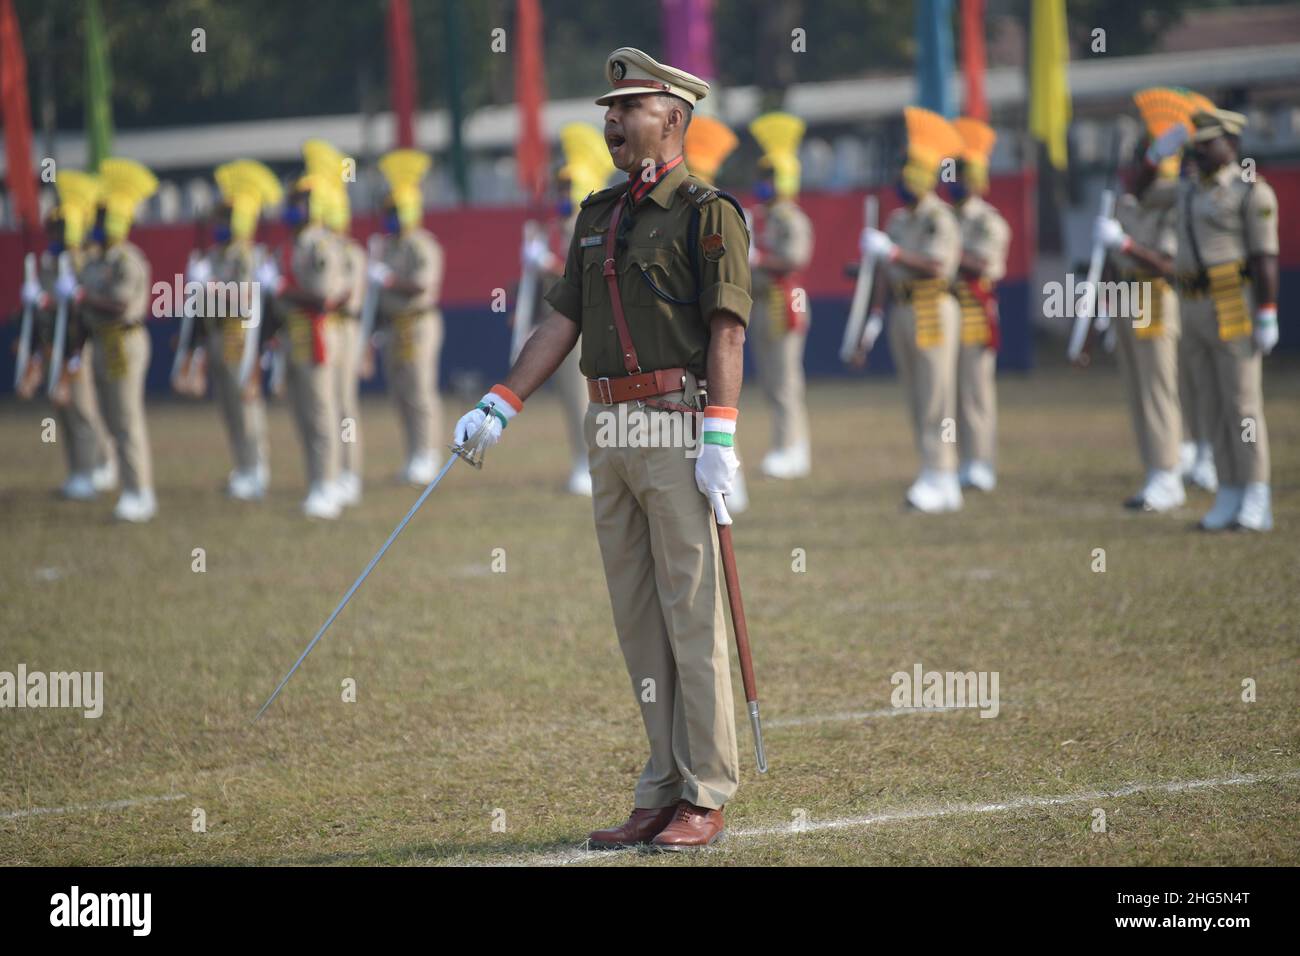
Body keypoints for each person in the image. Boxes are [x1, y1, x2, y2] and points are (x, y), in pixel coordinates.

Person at [452, 48, 751, 848]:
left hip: (674, 421)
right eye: (608, 110)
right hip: (608, 427)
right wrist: (500, 401)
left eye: (629, 108)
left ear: (675, 118)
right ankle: (659, 783)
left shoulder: (706, 211)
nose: (612, 121)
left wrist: (720, 433)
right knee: (636, 618)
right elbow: (562, 319)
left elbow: (727, 327)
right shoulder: (599, 214)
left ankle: (706, 790)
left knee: (692, 613)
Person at [1137, 102, 1279, 531]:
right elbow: (1140, 193)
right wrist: (1154, 154)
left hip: (1233, 302)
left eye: (1207, 143)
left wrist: (1268, 312)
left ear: (1231, 145)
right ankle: (1229, 490)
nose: (1198, 152)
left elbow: (1264, 257)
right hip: (1192, 303)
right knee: (1210, 403)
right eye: (1194, 144)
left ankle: (1257, 492)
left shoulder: (1251, 189)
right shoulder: (1187, 189)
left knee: (1242, 405)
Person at [855, 107, 965, 513]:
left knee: (937, 397)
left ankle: (941, 473)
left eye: (907, 172)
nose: (900, 180)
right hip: (902, 309)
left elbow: (940, 266)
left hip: (932, 308)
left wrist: (894, 251)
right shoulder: (900, 218)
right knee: (917, 397)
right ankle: (935, 473)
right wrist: (874, 319)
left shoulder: (941, 219)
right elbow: (887, 271)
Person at [1093, 91, 1187, 513]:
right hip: (1128, 301)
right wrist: (1107, 310)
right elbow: (1112, 266)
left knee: (1157, 391)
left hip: (1154, 299)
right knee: (1136, 390)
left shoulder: (1170, 202)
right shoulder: (1127, 203)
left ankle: (1169, 473)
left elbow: (1166, 264)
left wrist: (1126, 244)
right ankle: (1155, 470)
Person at [520, 122, 616, 496]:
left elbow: (581, 270)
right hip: (560, 321)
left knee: (585, 395)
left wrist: (546, 262)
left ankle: (591, 462)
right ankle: (582, 459)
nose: (561, 193)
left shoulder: (589, 226)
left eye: (567, 186)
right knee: (569, 395)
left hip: (588, 321)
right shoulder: (553, 227)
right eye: (559, 186)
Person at [61, 158, 158, 522]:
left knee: (127, 418)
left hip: (124, 342)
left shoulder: (127, 261)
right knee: (112, 416)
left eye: (102, 218)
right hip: (101, 343)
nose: (95, 226)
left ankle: (140, 492)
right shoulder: (97, 261)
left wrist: (84, 296)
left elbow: (119, 303)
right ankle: (127, 487)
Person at [258, 147, 349, 519]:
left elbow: (323, 299)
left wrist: (280, 289)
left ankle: (327, 485)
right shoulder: (286, 247)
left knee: (320, 414)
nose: (292, 208)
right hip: (292, 339)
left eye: (300, 201)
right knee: (300, 414)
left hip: (316, 337)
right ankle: (315, 482)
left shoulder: (320, 246)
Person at [18, 171, 116, 500]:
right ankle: (77, 470)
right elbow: (46, 307)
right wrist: (37, 297)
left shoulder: (84, 263)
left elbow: (84, 308)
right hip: (54, 347)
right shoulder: (50, 262)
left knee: (83, 411)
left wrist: (67, 296)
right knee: (64, 409)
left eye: (60, 228)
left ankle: (91, 470)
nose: (54, 234)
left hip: (77, 347)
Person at [206, 159, 281, 500]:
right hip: (220, 333)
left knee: (246, 403)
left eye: (225, 218)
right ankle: (242, 465)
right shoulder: (218, 254)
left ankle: (257, 467)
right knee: (229, 404)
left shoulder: (245, 256)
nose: (219, 224)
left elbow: (242, 298)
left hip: (240, 334)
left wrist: (208, 288)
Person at [370, 148, 445, 486]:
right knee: (399, 392)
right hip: (393, 326)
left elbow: (421, 286)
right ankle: (413, 453)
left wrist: (387, 279)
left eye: (396, 210)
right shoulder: (387, 246)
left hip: (418, 323)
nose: (391, 217)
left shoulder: (421, 245)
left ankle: (428, 453)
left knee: (419, 389)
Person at [746, 112, 814, 479]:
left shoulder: (790, 219)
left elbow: (795, 258)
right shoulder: (762, 216)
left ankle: (792, 447)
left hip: (786, 300)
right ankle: (787, 445)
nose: (764, 183)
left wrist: (759, 259)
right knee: (773, 381)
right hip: (762, 302)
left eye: (770, 176)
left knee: (787, 379)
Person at [949, 117, 1009, 494]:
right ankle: (957, 460)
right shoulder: (946, 217)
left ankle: (981, 461)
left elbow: (986, 265)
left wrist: (942, 256)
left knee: (976, 392)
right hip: (946, 310)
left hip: (975, 309)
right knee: (949, 392)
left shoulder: (987, 221)